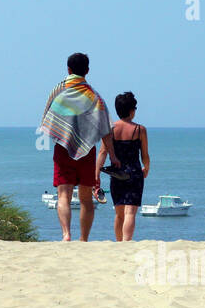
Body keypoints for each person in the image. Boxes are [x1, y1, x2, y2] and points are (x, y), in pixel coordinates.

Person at [39, 53, 119, 241]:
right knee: (86, 199)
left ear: (68, 69)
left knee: (63, 195)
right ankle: (83, 238)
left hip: (62, 148)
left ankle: (66, 234)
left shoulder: (58, 90)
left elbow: (46, 118)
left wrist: (59, 134)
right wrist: (113, 156)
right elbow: (105, 128)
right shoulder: (94, 96)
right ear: (87, 71)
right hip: (87, 151)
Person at [98, 91, 149, 241]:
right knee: (130, 213)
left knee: (119, 213)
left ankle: (119, 243)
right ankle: (127, 243)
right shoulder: (140, 130)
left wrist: (97, 174)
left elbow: (102, 152)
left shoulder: (110, 129)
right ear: (132, 110)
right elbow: (144, 154)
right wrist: (146, 167)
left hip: (116, 173)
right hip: (134, 173)